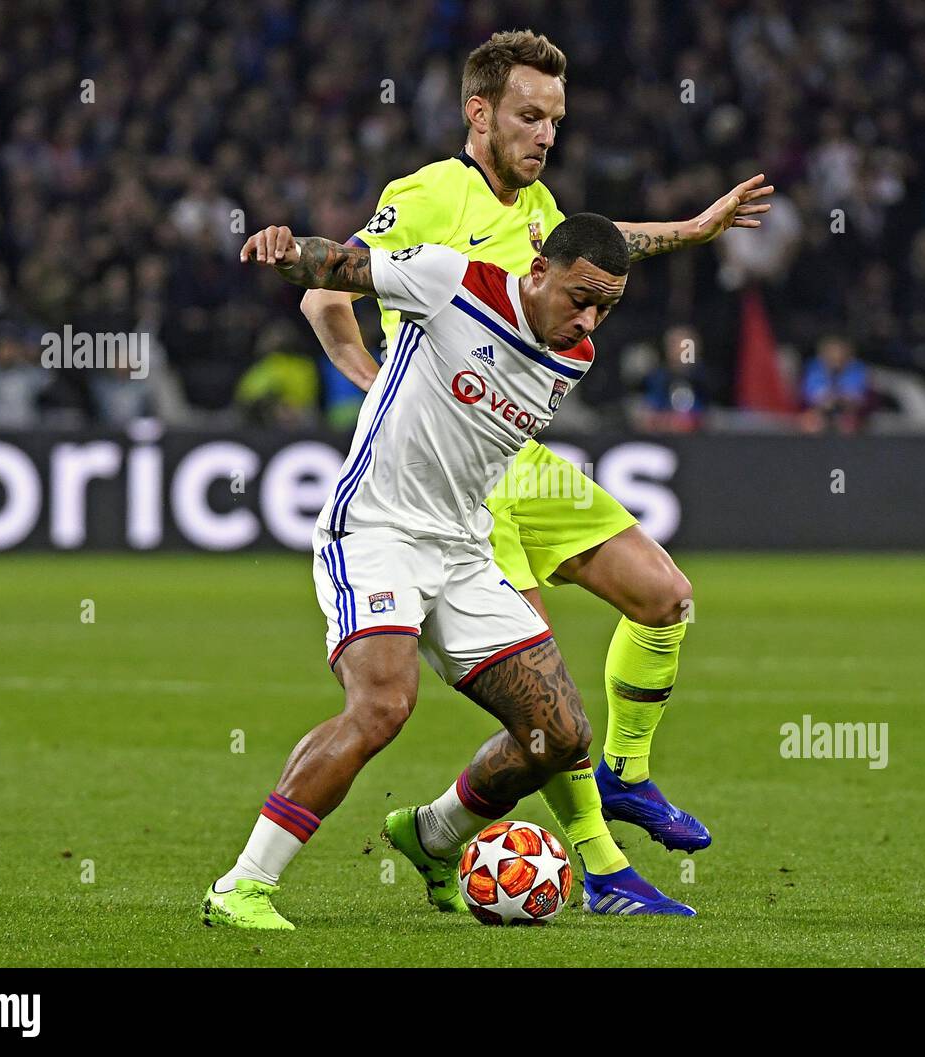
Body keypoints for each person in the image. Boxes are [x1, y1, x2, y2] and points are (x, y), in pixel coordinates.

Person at [300, 31, 773, 876]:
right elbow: (323, 292)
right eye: (530, 115)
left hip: (517, 456)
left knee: (664, 595)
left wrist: (694, 229)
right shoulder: (431, 193)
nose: (546, 133)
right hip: (449, 472)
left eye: (555, 118)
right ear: (478, 114)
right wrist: (371, 379)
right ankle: (601, 867)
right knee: (543, 691)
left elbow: (600, 240)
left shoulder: (538, 209)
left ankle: (624, 776)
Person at [205, 212, 694, 929]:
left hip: (463, 549)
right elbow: (336, 269)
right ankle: (242, 885)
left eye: (605, 307)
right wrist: (288, 252)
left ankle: (432, 834)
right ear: (538, 270)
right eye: (580, 296)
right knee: (382, 705)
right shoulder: (447, 281)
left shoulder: (574, 356)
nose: (589, 318)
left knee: (558, 735)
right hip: (376, 531)